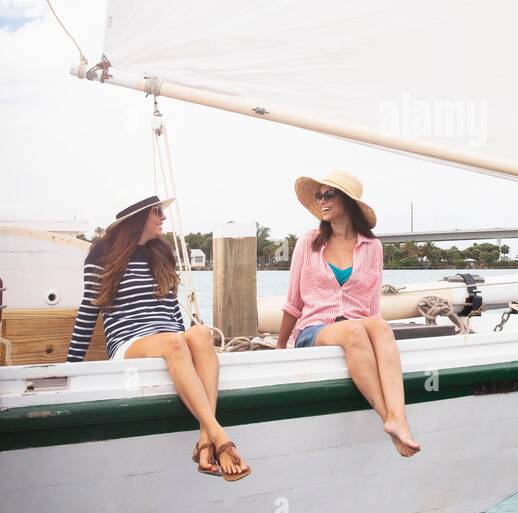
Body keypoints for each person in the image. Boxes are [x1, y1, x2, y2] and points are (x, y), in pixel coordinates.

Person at [66, 194, 251, 482]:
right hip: (129, 341)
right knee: (175, 342)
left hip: (169, 338)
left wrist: (189, 340)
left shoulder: (161, 252)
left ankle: (205, 441)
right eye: (157, 212)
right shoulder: (101, 254)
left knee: (200, 333)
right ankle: (220, 437)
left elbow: (171, 309)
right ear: (138, 218)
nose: (163, 217)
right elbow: (88, 311)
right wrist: (71, 367)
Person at [276, 170, 421, 458]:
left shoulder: (373, 247)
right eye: (319, 196)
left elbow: (372, 307)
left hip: (356, 325)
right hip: (315, 329)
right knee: (355, 330)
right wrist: (280, 348)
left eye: (329, 194)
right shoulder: (308, 241)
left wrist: (377, 334)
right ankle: (388, 419)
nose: (322, 201)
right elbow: (293, 302)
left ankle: (400, 418)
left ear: (348, 201)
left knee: (378, 327)